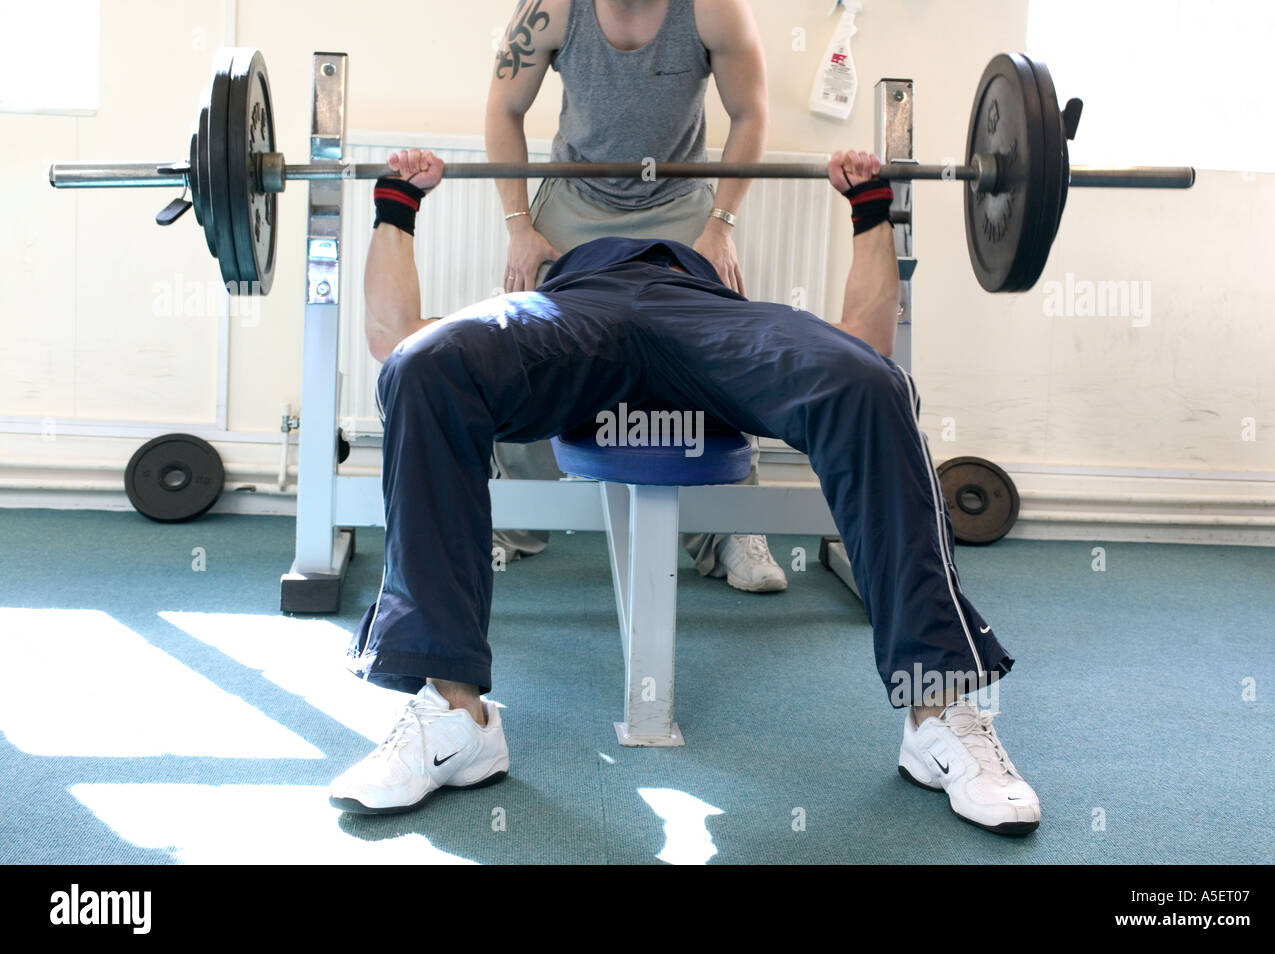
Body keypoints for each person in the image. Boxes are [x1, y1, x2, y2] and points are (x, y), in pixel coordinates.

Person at [334, 148, 1042, 837]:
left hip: (701, 311)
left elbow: (866, 342)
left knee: (871, 383)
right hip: (577, 307)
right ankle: (455, 713)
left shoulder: (714, 285)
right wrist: (398, 205)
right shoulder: (562, 279)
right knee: (421, 367)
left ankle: (937, 708)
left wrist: (870, 208)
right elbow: (392, 337)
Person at [485, 0, 786, 592]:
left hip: (677, 202)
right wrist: (519, 224)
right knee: (524, 335)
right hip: (574, 199)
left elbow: (750, 114)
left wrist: (721, 225)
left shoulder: (713, 9)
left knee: (720, 339)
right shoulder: (550, 9)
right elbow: (505, 107)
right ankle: (515, 521)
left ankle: (728, 531)